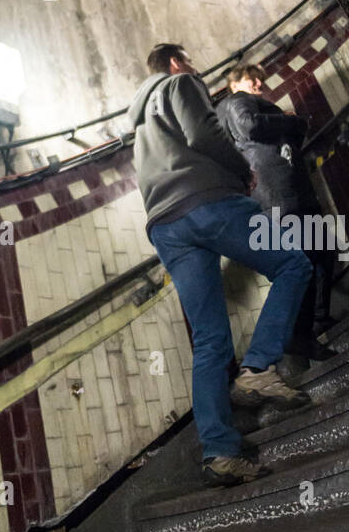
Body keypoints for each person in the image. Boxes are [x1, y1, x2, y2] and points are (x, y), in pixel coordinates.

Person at [128, 43, 314, 488]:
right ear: (175, 62)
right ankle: (259, 369)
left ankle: (220, 453)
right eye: (189, 61)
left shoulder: (137, 124)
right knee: (293, 264)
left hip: (166, 227)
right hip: (208, 202)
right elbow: (203, 134)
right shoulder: (179, 83)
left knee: (209, 340)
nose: (194, 68)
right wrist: (243, 172)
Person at [218, 64, 336, 357]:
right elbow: (249, 125)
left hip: (291, 193)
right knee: (304, 261)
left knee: (323, 253)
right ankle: (298, 336)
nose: (259, 83)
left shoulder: (262, 111)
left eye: (261, 79)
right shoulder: (237, 101)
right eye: (252, 79)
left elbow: (290, 137)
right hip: (280, 197)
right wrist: (289, 121)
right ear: (235, 84)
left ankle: (316, 322)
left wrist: (292, 125)